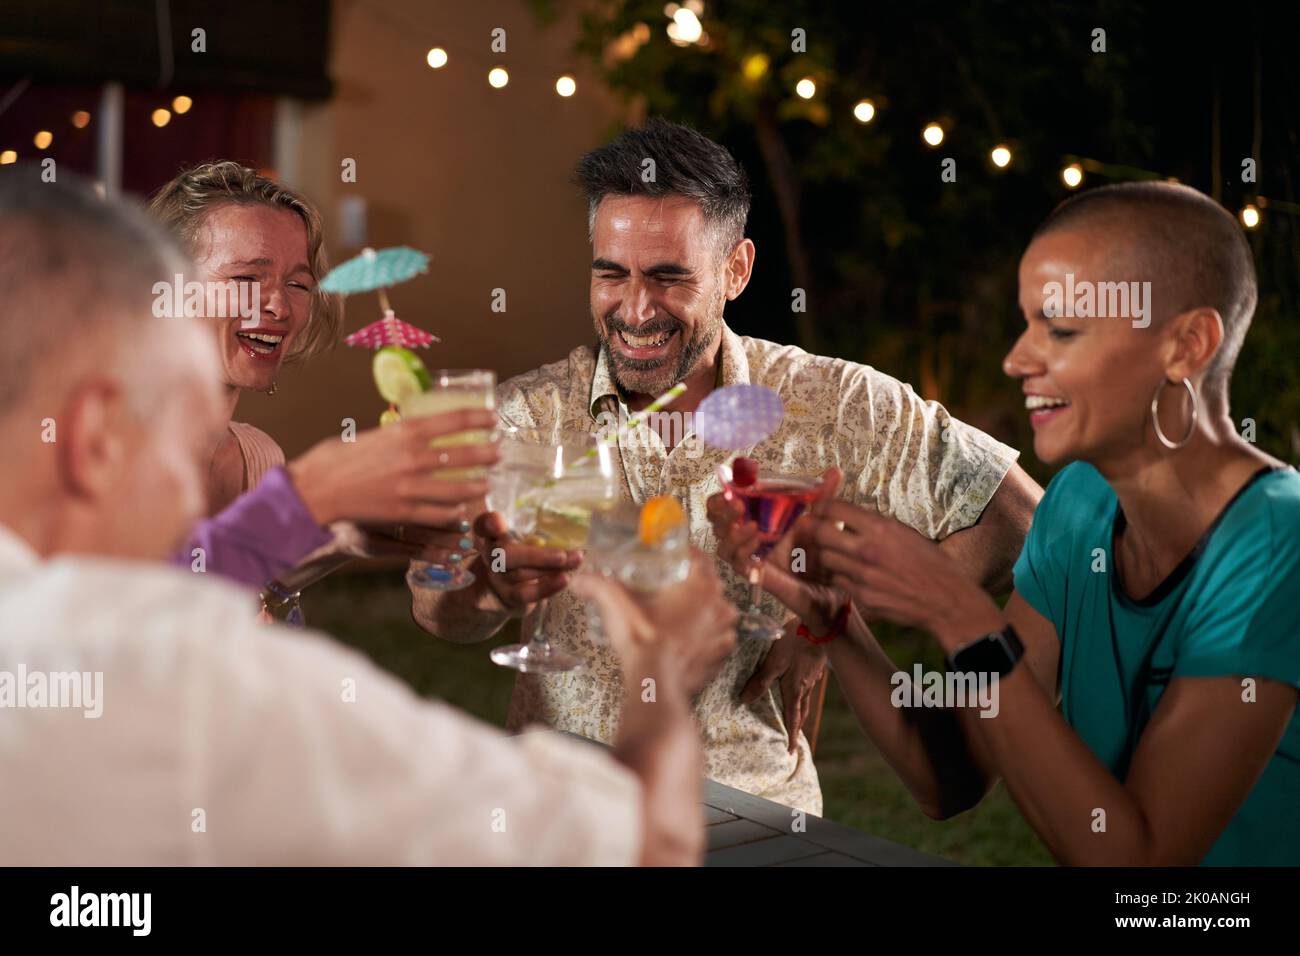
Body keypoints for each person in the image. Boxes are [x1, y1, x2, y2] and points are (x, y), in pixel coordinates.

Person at [0, 169, 736, 865]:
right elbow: (641, 844)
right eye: (162, 425)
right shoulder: (213, 689)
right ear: (95, 437)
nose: (280, 305)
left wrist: (328, 539)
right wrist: (660, 674)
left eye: (296, 281)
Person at [410, 119, 1042, 814]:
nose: (635, 309)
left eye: (668, 277)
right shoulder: (527, 416)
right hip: (567, 816)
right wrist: (491, 591)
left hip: (761, 819)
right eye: (611, 274)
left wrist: (826, 623)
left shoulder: (828, 402)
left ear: (735, 270)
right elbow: (435, 607)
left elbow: (1020, 520)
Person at [709, 181, 1299, 864]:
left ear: (1186, 345)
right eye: (1027, 324)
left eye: (1063, 328)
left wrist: (960, 615)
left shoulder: (1275, 538)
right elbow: (947, 778)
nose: (1017, 359)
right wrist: (835, 619)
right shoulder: (1081, 508)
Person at [148, 162, 485, 591]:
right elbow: (142, 610)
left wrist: (344, 539)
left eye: (298, 284)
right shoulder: (104, 449)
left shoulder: (259, 457)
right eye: (247, 277)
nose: (279, 307)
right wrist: (309, 495)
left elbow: (252, 594)